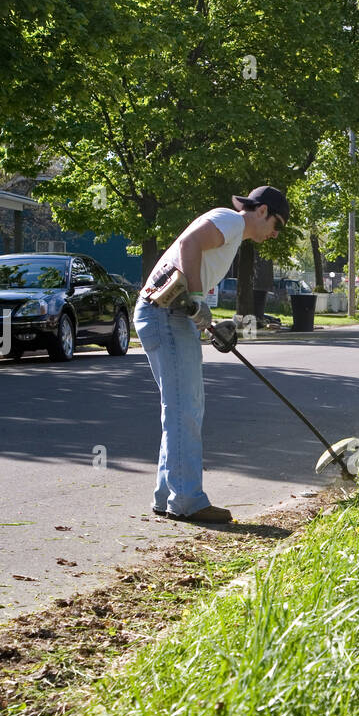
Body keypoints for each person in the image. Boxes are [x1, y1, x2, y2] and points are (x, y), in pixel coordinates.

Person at [135, 185, 289, 523]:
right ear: (262, 211)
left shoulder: (230, 231)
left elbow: (191, 265)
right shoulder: (231, 220)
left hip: (165, 313)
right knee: (184, 408)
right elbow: (189, 244)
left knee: (181, 406)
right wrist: (194, 298)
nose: (275, 234)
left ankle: (168, 495)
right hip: (166, 314)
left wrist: (202, 314)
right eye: (277, 224)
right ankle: (187, 500)